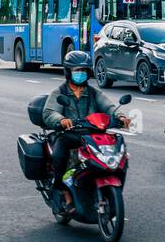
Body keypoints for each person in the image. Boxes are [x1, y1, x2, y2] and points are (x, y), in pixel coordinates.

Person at [42, 50, 131, 209]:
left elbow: (109, 106)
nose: (81, 74)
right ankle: (63, 191)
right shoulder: (59, 92)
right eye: (77, 70)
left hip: (93, 134)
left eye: (83, 70)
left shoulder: (93, 92)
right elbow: (49, 112)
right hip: (69, 134)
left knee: (119, 151)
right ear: (68, 72)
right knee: (59, 155)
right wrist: (61, 120)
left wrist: (121, 117)